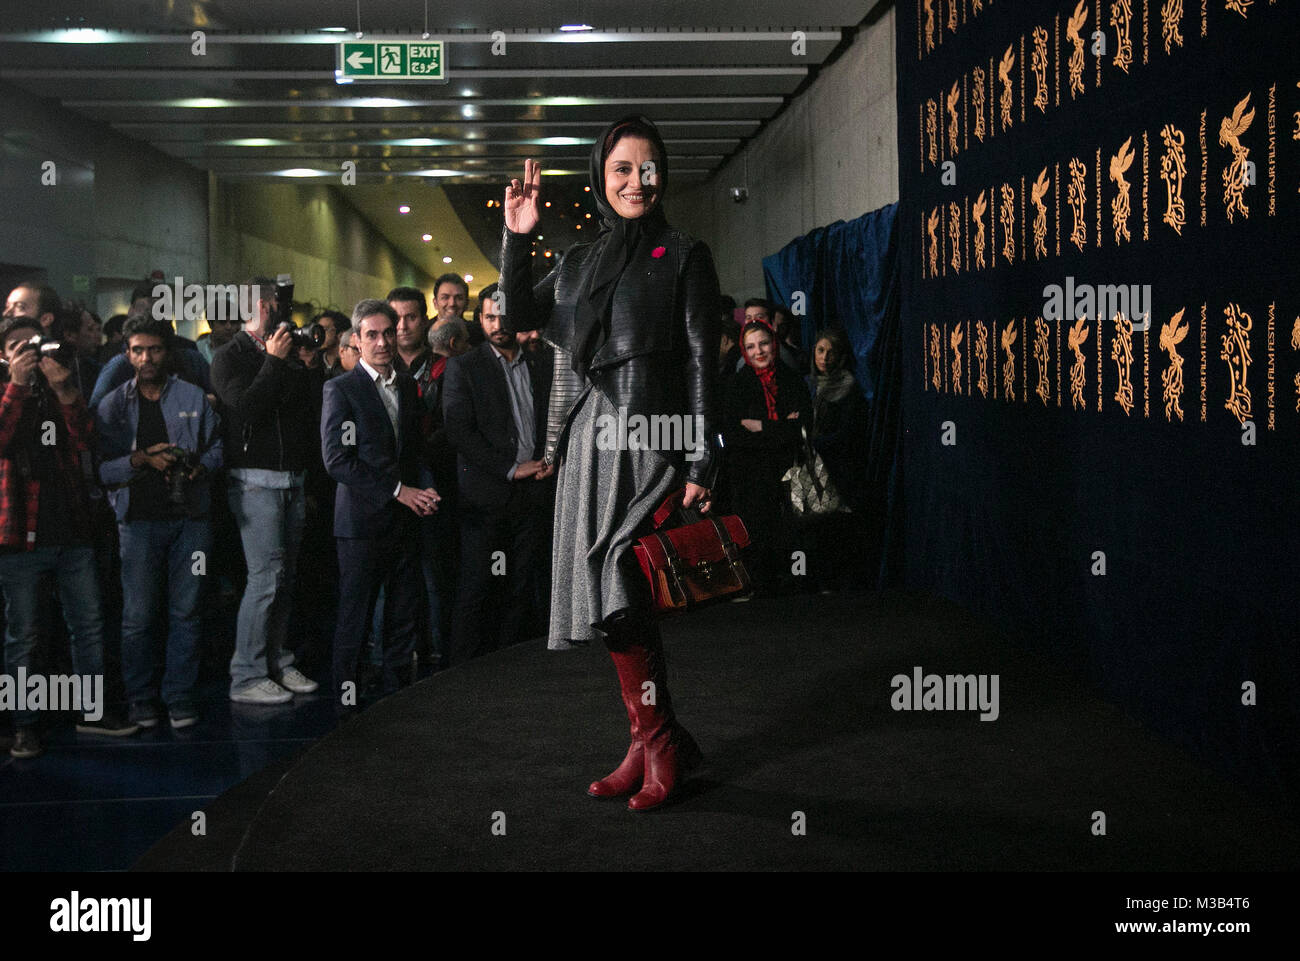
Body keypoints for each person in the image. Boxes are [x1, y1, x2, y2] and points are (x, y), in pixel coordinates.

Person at [499, 115, 720, 811]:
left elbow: (700, 363)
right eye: (622, 169)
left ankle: (659, 741)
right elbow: (512, 314)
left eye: (648, 168)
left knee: (621, 579)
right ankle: (649, 738)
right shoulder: (578, 261)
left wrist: (701, 457)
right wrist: (519, 237)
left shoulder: (685, 254)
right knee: (606, 596)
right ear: (600, 178)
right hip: (592, 440)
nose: (635, 181)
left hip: (652, 436)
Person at [0, 314, 139, 758]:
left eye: (34, 345)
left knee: (89, 627)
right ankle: (24, 725)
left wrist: (63, 391)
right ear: (4, 355)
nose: (28, 354)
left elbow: (87, 439)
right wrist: (18, 384)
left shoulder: (63, 385)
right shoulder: (6, 391)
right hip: (20, 535)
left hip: (73, 528)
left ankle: (92, 712)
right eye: (17, 347)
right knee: (24, 634)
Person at [95, 317, 223, 729]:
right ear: (126, 353)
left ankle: (180, 697)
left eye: (154, 349)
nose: (146, 357)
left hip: (192, 520)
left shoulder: (192, 395)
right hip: (137, 522)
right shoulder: (114, 404)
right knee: (138, 617)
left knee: (187, 611)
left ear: (168, 352)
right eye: (138, 350)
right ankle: (141, 700)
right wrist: (141, 458)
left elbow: (219, 445)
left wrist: (199, 466)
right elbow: (99, 469)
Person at [321, 300, 439, 718]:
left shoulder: (407, 385)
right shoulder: (341, 388)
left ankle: (396, 702)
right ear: (356, 340)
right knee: (355, 618)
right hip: (361, 525)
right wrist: (398, 490)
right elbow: (336, 460)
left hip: (405, 522)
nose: (383, 341)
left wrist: (425, 489)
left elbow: (415, 450)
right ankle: (347, 708)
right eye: (371, 334)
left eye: (388, 332)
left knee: (403, 615)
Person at [210, 276, 319, 704]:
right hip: (254, 480)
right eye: (272, 302)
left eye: (278, 302)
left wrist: (307, 363)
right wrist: (274, 361)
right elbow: (246, 409)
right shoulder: (228, 356)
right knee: (265, 578)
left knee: (286, 578)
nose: (278, 310)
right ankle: (246, 673)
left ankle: (277, 660)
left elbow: (309, 412)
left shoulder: (287, 349)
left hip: (292, 477)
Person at [442, 281, 551, 665]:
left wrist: (548, 458)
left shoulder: (541, 363)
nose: (497, 323)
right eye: (489, 316)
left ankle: (511, 667)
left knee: (521, 585)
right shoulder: (463, 367)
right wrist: (510, 468)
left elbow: (552, 422)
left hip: (534, 493)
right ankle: (463, 671)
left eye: (503, 315)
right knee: (479, 585)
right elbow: (459, 432)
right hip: (485, 498)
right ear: (480, 320)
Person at [723, 319, 812, 596]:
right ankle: (763, 584)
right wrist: (782, 428)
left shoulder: (792, 379)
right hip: (752, 475)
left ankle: (796, 582)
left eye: (763, 343)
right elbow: (734, 434)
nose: (758, 351)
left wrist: (761, 426)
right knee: (759, 530)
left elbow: (802, 427)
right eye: (750, 347)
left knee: (795, 527)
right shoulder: (737, 385)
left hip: (791, 470)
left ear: (774, 344)